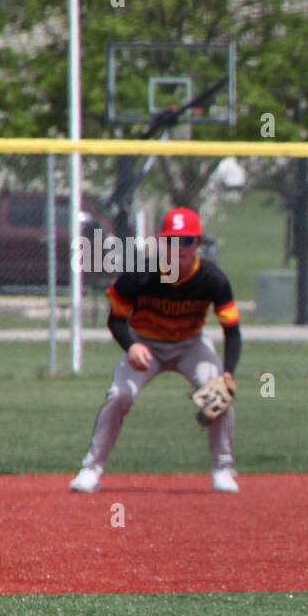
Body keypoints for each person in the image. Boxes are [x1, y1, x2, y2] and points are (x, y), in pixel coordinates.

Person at [69, 207, 242, 494]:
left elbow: (232, 330)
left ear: (197, 245)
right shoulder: (142, 274)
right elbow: (116, 319)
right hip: (146, 344)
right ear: (163, 243)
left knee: (219, 392)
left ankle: (222, 469)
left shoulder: (213, 279)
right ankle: (91, 469)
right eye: (172, 241)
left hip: (190, 344)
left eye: (186, 241)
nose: (179, 249)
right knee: (119, 395)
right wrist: (131, 345)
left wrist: (227, 373)